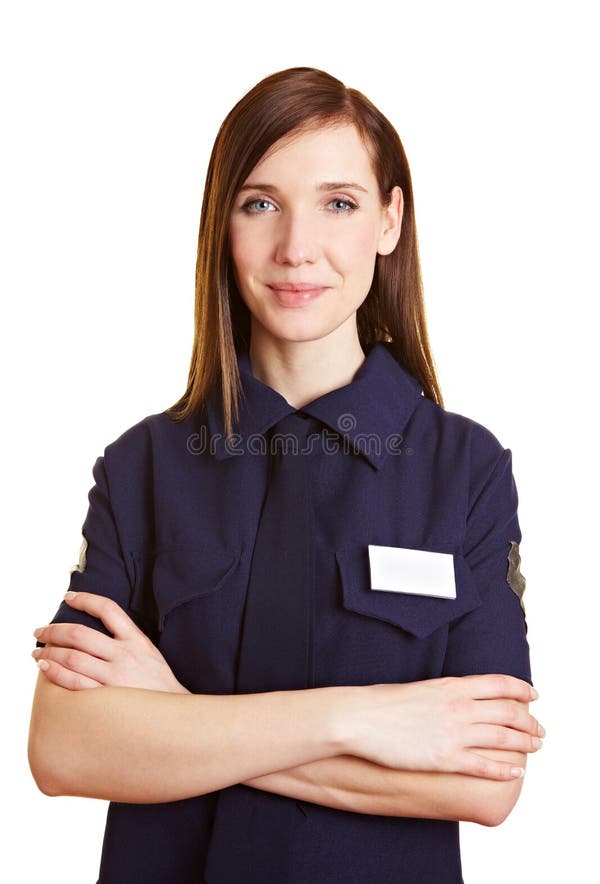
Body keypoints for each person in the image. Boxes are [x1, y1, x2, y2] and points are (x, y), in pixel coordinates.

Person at [28, 66, 544, 884]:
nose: (296, 246)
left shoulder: (466, 471)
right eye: (259, 203)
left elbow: (485, 782)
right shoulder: (142, 469)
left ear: (389, 220)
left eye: (338, 203)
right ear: (221, 225)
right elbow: (62, 749)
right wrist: (365, 719)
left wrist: (175, 722)